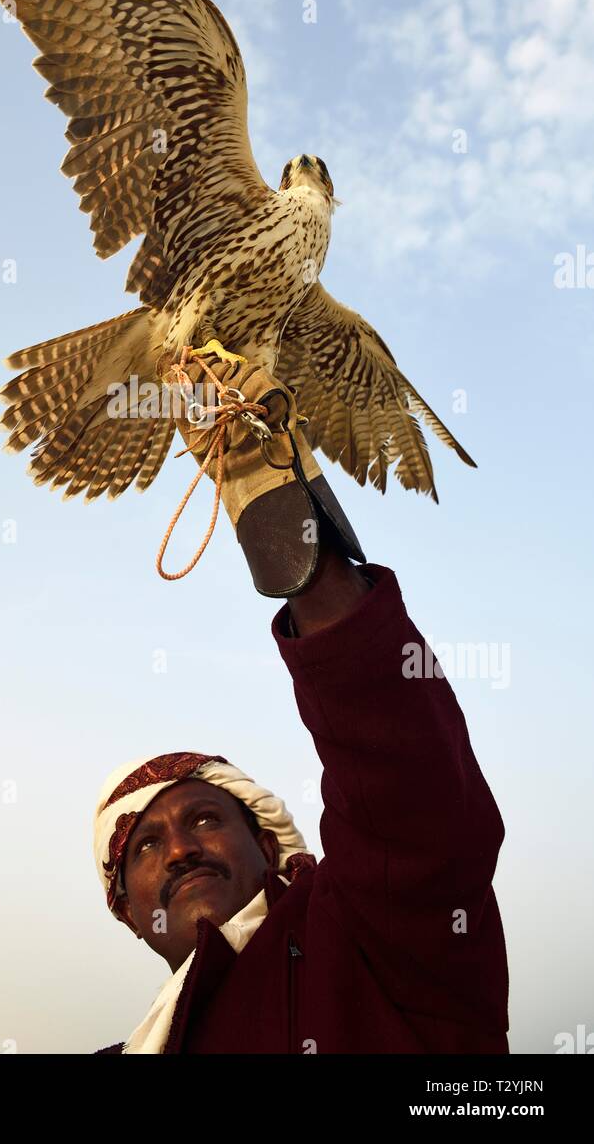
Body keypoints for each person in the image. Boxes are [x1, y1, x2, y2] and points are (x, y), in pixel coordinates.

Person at [92, 356, 509, 1054]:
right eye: (146, 846)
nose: (181, 850)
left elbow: (412, 798)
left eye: (204, 818)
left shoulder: (368, 938)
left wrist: (278, 517)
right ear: (128, 912)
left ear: (267, 847)